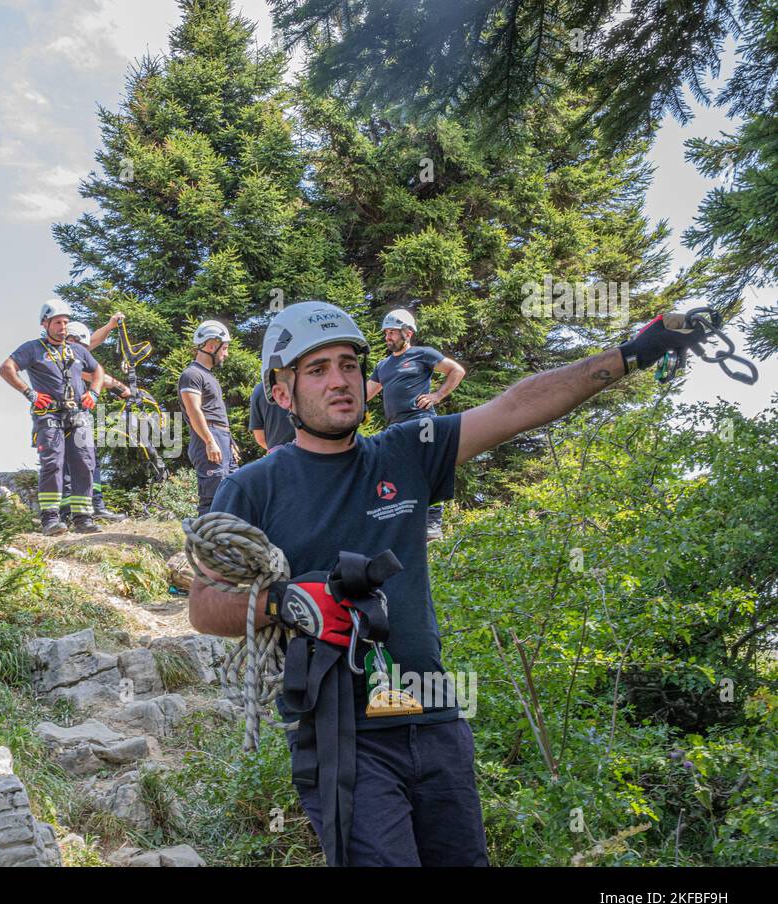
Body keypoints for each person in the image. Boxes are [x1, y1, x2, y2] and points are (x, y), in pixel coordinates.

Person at [189, 299, 717, 865]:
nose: (341, 381)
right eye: (317, 370)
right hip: (341, 733)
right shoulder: (253, 487)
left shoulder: (406, 453)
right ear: (282, 392)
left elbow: (518, 405)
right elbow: (205, 607)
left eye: (349, 364)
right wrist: (287, 602)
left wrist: (638, 351)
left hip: (437, 717)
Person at [0, 298, 104, 535]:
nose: (63, 327)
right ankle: (50, 519)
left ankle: (83, 518)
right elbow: (6, 368)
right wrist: (30, 393)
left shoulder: (77, 350)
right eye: (57, 322)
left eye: (66, 322)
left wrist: (94, 393)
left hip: (78, 414)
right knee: (53, 464)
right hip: (48, 416)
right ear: (45, 323)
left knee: (85, 463)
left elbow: (98, 370)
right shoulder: (32, 348)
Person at [365, 307, 466, 539]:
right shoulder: (383, 366)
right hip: (396, 427)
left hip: (423, 421)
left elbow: (456, 370)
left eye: (392, 332)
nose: (388, 337)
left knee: (428, 467)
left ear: (407, 333)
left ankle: (433, 524)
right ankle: (406, 523)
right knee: (397, 473)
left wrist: (437, 396)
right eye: (386, 333)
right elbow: (364, 394)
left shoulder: (423, 354)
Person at [60, 318, 128, 523]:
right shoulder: (64, 357)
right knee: (66, 463)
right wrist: (122, 389)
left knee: (90, 459)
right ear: (70, 339)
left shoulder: (73, 348)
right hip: (62, 415)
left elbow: (92, 341)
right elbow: (93, 376)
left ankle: (94, 505)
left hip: (78, 416)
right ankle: (66, 513)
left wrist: (109, 326)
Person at [178, 319, 238, 515]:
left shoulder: (209, 375)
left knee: (230, 493)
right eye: (224, 348)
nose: (226, 354)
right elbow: (194, 411)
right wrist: (210, 441)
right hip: (208, 437)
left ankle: (224, 541)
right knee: (213, 498)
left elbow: (216, 412)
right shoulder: (192, 374)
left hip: (221, 437)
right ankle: (204, 544)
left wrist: (230, 441)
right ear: (212, 345)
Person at [249, 380, 295, 452]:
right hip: (310, 449)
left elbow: (259, 436)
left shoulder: (259, 390)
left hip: (278, 454)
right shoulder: (301, 379)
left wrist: (276, 450)